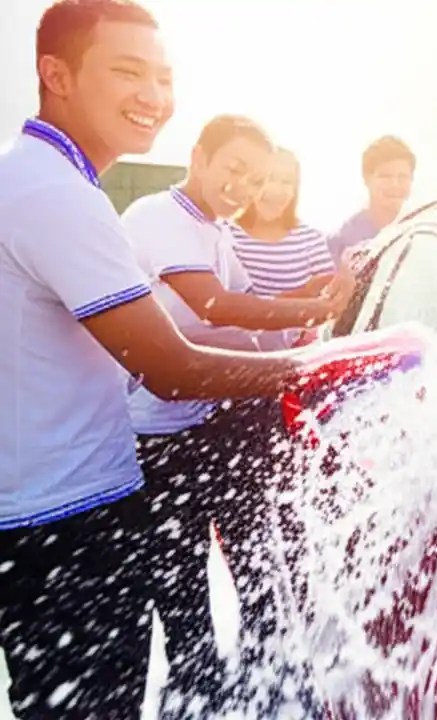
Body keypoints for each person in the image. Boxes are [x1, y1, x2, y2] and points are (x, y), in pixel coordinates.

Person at [0, 2, 314, 716]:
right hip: (62, 527)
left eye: (164, 78)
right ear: (56, 75)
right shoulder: (52, 193)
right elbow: (172, 368)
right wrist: (316, 368)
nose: (153, 97)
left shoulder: (46, 181)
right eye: (128, 72)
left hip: (59, 512)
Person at [122, 114, 353, 715]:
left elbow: (257, 318)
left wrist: (318, 318)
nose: (243, 187)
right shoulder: (156, 216)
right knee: (181, 592)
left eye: (254, 178)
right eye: (234, 169)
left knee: (256, 567)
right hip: (158, 438)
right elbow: (217, 306)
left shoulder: (217, 231)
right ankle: (198, 696)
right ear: (198, 157)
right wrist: (308, 307)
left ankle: (265, 686)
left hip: (220, 425)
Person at [328, 135, 415, 262]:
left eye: (402, 177)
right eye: (385, 176)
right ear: (366, 179)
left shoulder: (421, 233)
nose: (395, 184)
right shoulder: (343, 241)